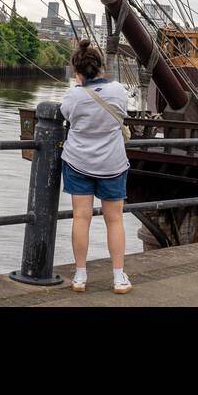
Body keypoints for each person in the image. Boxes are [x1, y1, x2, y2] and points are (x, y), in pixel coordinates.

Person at [58, 39, 132, 294]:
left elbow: (67, 114)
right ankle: (118, 276)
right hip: (112, 163)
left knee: (81, 217)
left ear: (77, 71)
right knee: (115, 219)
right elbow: (124, 111)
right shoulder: (119, 91)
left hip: (79, 162)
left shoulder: (74, 96)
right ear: (100, 67)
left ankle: (80, 275)